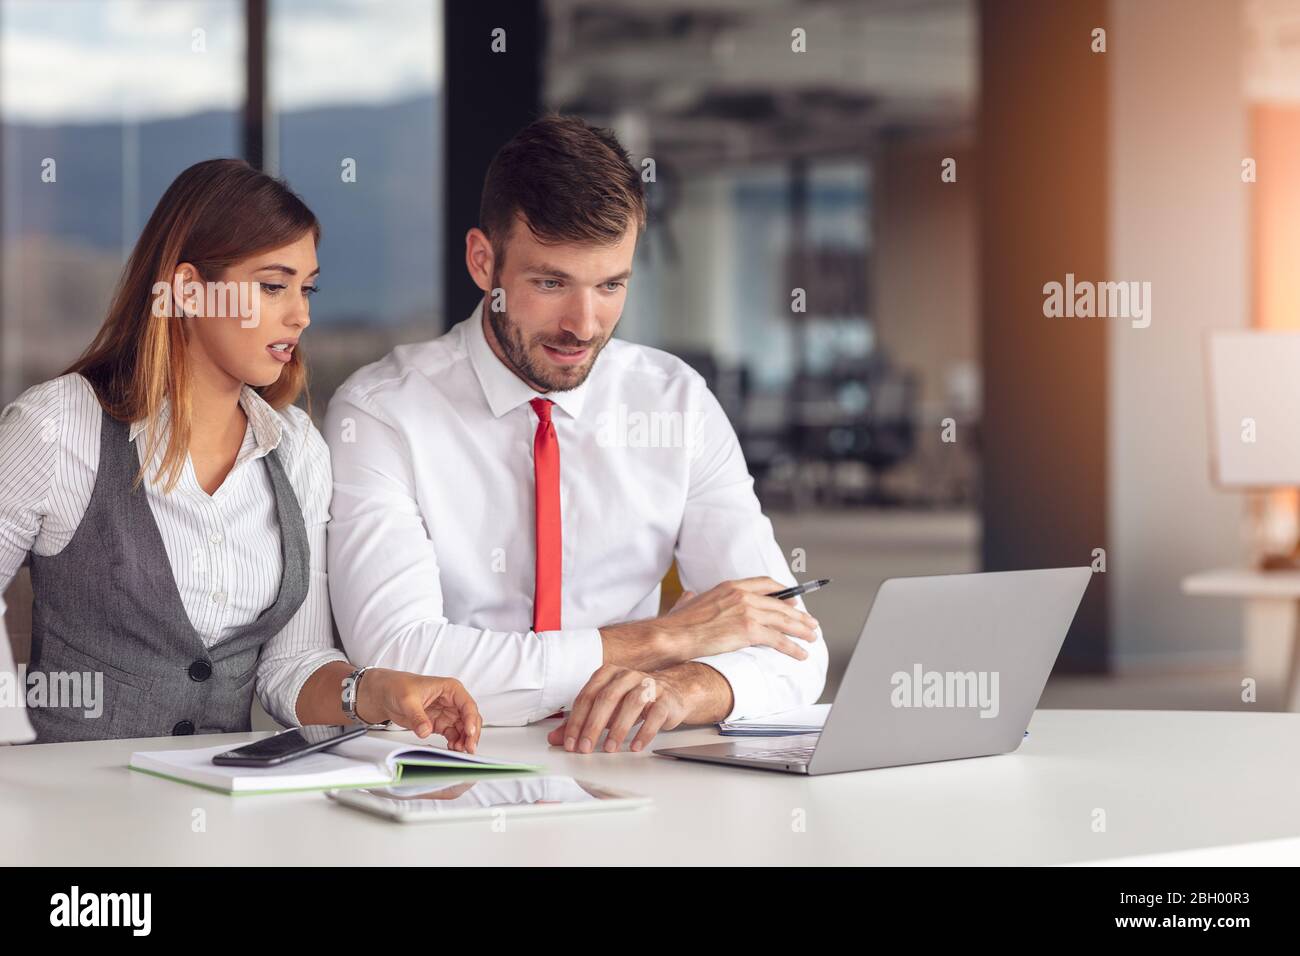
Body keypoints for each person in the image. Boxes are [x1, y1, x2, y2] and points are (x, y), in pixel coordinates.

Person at [326, 116, 826, 755]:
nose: (583, 326)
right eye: (551, 283)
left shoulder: (675, 402)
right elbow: (402, 658)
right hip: (442, 772)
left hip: (628, 771)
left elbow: (795, 648)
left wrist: (680, 691)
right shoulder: (381, 414)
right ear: (484, 262)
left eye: (611, 285)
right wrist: (663, 641)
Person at [0, 159, 480, 748]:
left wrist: (373, 691)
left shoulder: (296, 448)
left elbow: (291, 664)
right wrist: (12, 752)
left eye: (306, 288)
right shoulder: (60, 426)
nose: (299, 313)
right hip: (72, 809)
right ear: (187, 289)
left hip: (222, 808)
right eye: (272, 286)